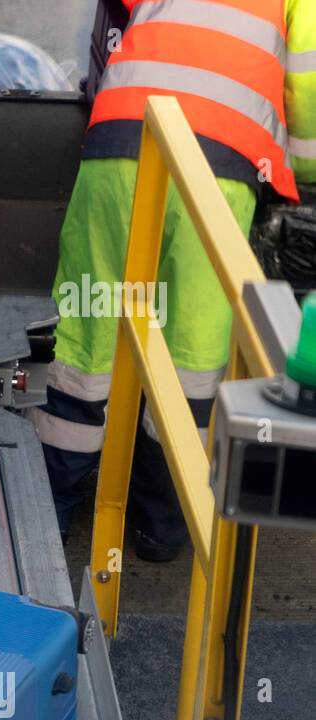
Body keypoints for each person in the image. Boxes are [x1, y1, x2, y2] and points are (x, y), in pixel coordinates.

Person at [26, 0, 313, 561]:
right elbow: (307, 84)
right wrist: (300, 172)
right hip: (226, 163)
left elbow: (111, 20)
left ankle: (49, 505)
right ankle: (161, 527)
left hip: (119, 137)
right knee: (194, 354)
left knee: (87, 336)